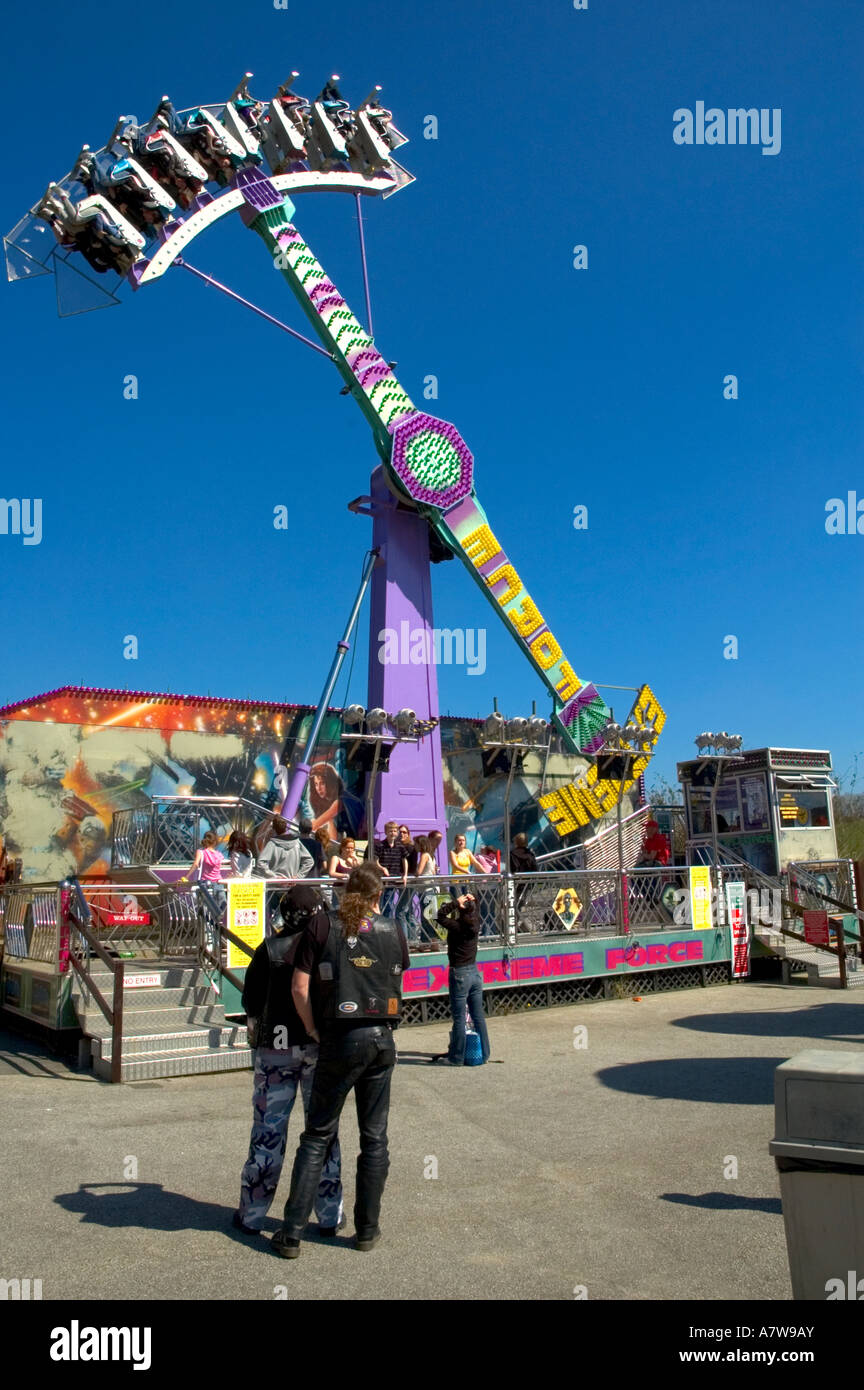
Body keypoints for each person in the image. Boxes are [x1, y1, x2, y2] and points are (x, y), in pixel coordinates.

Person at [270, 863, 410, 1257]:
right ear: (378, 896)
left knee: (317, 1134)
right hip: (382, 1040)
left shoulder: (323, 926)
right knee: (375, 1137)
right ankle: (367, 1231)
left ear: (347, 889)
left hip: (338, 1037)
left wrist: (313, 1029)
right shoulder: (394, 929)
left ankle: (292, 1234)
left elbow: (299, 988)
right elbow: (399, 977)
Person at [235, 886, 344, 1237]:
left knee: (268, 1133)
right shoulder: (329, 947)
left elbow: (251, 1003)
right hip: (319, 1048)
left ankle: (252, 1215)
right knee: (323, 1132)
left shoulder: (270, 949)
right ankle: (329, 1214)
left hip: (275, 1050)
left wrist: (257, 1033)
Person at [431, 892, 491, 1067]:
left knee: (459, 1018)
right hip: (474, 972)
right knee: (478, 1015)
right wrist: (472, 902)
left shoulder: (457, 926)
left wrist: (455, 903)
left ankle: (456, 1057)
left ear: (462, 909)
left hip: (460, 973)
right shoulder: (475, 924)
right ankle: (485, 1053)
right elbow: (474, 909)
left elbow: (438, 915)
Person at [255, 816, 314, 881]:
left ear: (273, 829)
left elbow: (260, 863)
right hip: (292, 884)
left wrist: (274, 877)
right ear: (286, 828)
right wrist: (298, 877)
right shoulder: (297, 843)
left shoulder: (272, 844)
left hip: (275, 885)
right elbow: (309, 861)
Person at [374, 820, 408, 918]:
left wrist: (405, 875)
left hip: (392, 880)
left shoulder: (400, 846)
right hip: (380, 880)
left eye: (394, 831)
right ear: (385, 832)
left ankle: (386, 925)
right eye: (390, 831)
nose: (392, 833)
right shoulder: (380, 845)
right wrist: (382, 868)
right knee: (378, 905)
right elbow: (375, 860)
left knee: (388, 905)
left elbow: (404, 860)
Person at [509, 832, 538, 931]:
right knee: (520, 905)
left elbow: (511, 868)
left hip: (515, 883)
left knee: (513, 905)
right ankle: (517, 925)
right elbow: (535, 869)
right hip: (526, 884)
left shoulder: (512, 854)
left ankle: (513, 926)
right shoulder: (530, 854)